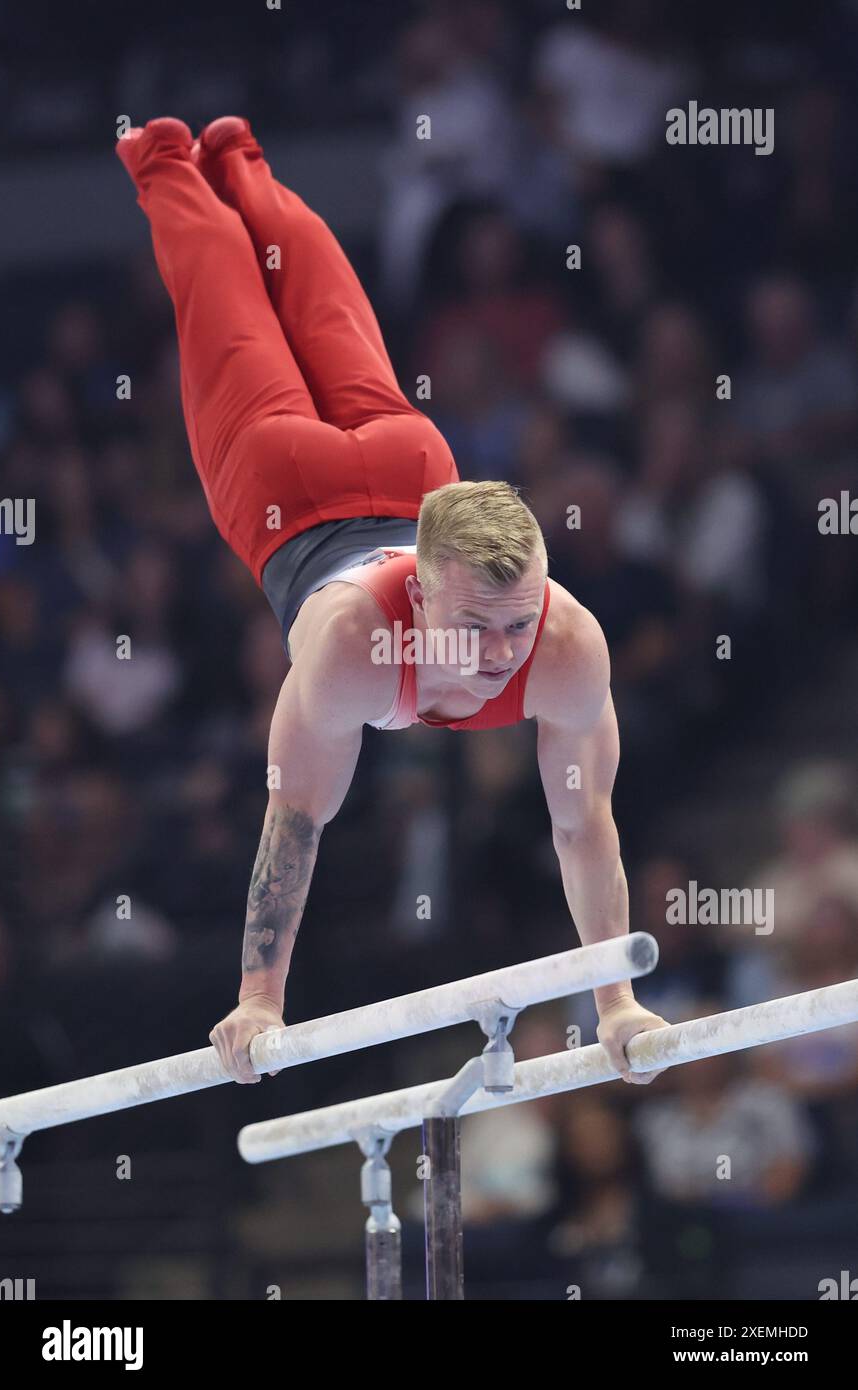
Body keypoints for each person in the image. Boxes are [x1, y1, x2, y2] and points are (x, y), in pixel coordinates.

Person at [116, 116, 667, 1088]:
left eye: (517, 621)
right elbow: (292, 823)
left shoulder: (565, 640)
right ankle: (169, 156)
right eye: (476, 626)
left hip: (386, 470)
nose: (504, 652)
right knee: (230, 295)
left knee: (301, 300)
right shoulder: (352, 645)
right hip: (286, 485)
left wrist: (613, 998)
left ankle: (238, 158)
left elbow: (584, 823)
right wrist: (258, 995)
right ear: (415, 588)